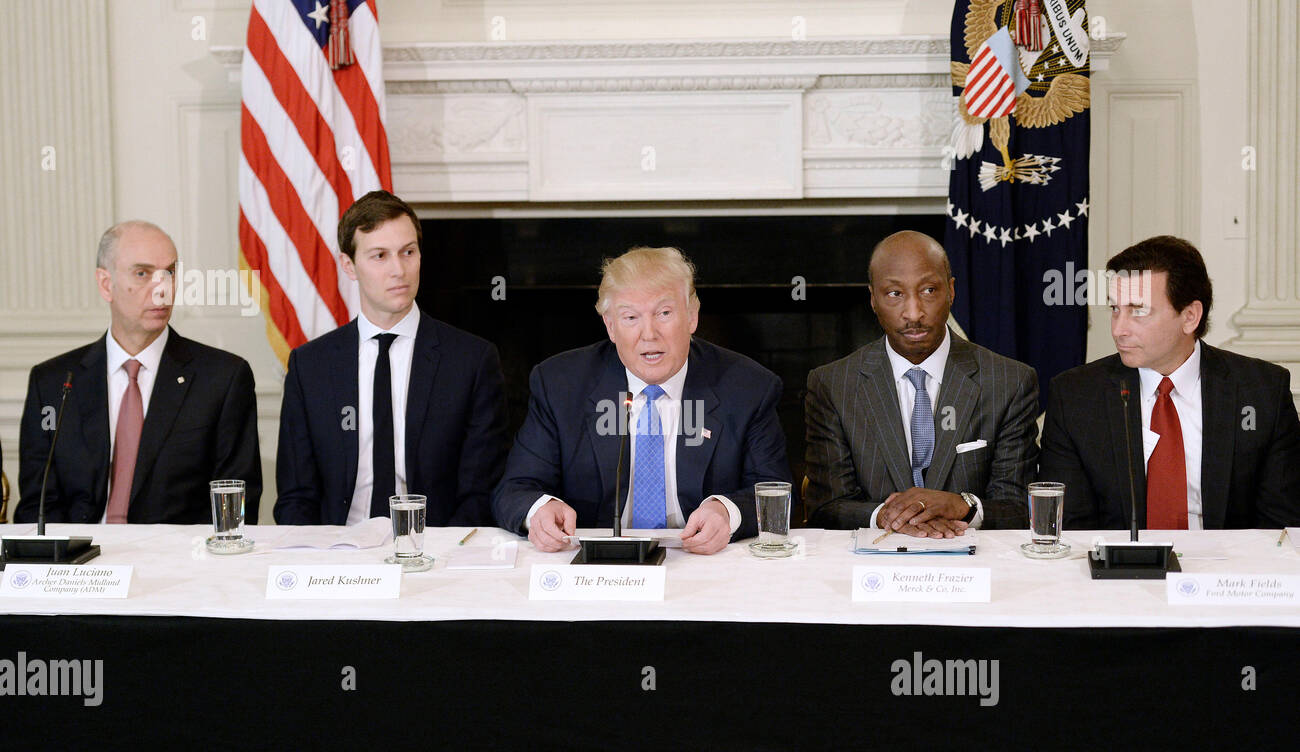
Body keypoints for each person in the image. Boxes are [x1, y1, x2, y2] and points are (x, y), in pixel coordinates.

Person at [492, 246, 790, 555]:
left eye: (664, 313)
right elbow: (515, 489)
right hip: (596, 566)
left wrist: (726, 511)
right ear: (610, 326)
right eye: (631, 317)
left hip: (703, 559)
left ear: (691, 317)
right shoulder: (560, 385)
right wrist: (541, 509)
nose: (649, 334)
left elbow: (774, 490)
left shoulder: (748, 387)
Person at [274, 190, 508, 526]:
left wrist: (440, 559)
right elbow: (296, 497)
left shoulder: (471, 361)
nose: (399, 270)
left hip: (435, 552)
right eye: (380, 256)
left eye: (408, 252)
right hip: (338, 556)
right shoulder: (310, 366)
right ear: (349, 265)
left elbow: (480, 493)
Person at [1039, 235, 1300, 529]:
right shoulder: (1075, 396)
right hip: (1115, 572)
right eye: (1114, 309)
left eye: (1138, 311)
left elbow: (1281, 530)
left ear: (1189, 316)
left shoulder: (1262, 391)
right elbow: (1070, 528)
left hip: (1228, 570)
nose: (1119, 329)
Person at [16, 221, 261, 524]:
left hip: (181, 565)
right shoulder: (52, 383)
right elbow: (36, 508)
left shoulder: (223, 378)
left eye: (169, 273)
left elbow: (235, 512)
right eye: (142, 273)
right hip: (80, 566)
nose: (162, 289)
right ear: (106, 284)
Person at [804, 230, 1039, 535]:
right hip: (871, 565)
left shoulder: (1010, 382)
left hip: (976, 563)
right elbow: (826, 507)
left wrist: (963, 506)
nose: (913, 313)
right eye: (894, 294)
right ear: (873, 299)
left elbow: (1018, 507)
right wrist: (888, 516)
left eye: (929, 290)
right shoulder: (833, 386)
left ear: (951, 291)